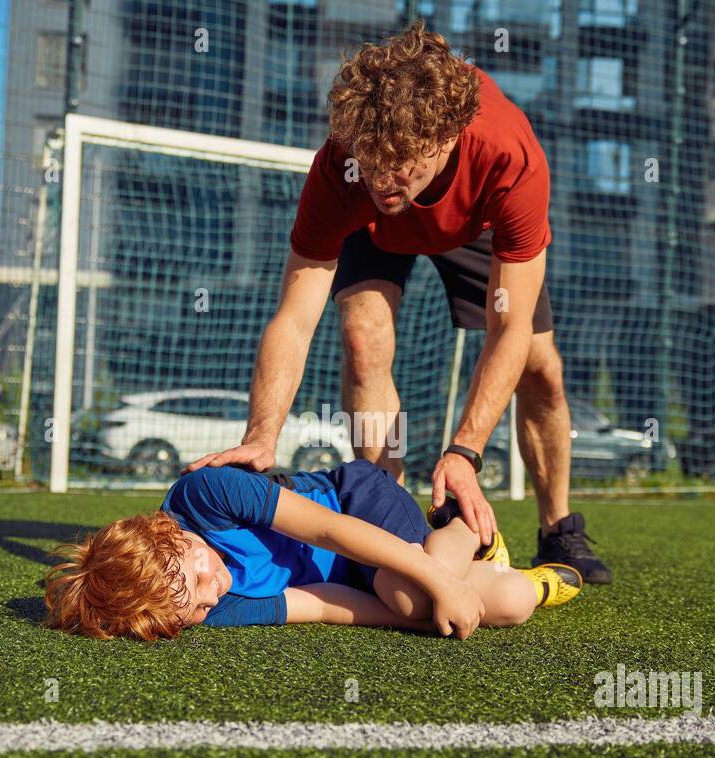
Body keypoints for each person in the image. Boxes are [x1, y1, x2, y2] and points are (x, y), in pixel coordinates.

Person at [187, 21, 612, 585]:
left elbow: (506, 329)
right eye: (372, 160)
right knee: (362, 337)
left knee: (540, 368)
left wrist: (464, 452)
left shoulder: (509, 155)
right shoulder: (346, 170)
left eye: (402, 163)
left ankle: (559, 526)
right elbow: (293, 319)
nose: (384, 178)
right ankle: (385, 521)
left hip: (476, 224)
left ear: (445, 138)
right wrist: (260, 437)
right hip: (376, 234)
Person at [44, 460, 582, 641]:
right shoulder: (197, 611)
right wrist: (434, 614)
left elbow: (329, 530)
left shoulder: (203, 494)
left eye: (201, 576)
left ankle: (464, 528)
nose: (216, 593)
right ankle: (516, 572)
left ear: (173, 536)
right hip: (353, 574)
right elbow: (321, 603)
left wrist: (438, 586)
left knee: (405, 591)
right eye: (200, 608)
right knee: (508, 602)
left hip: (355, 507)